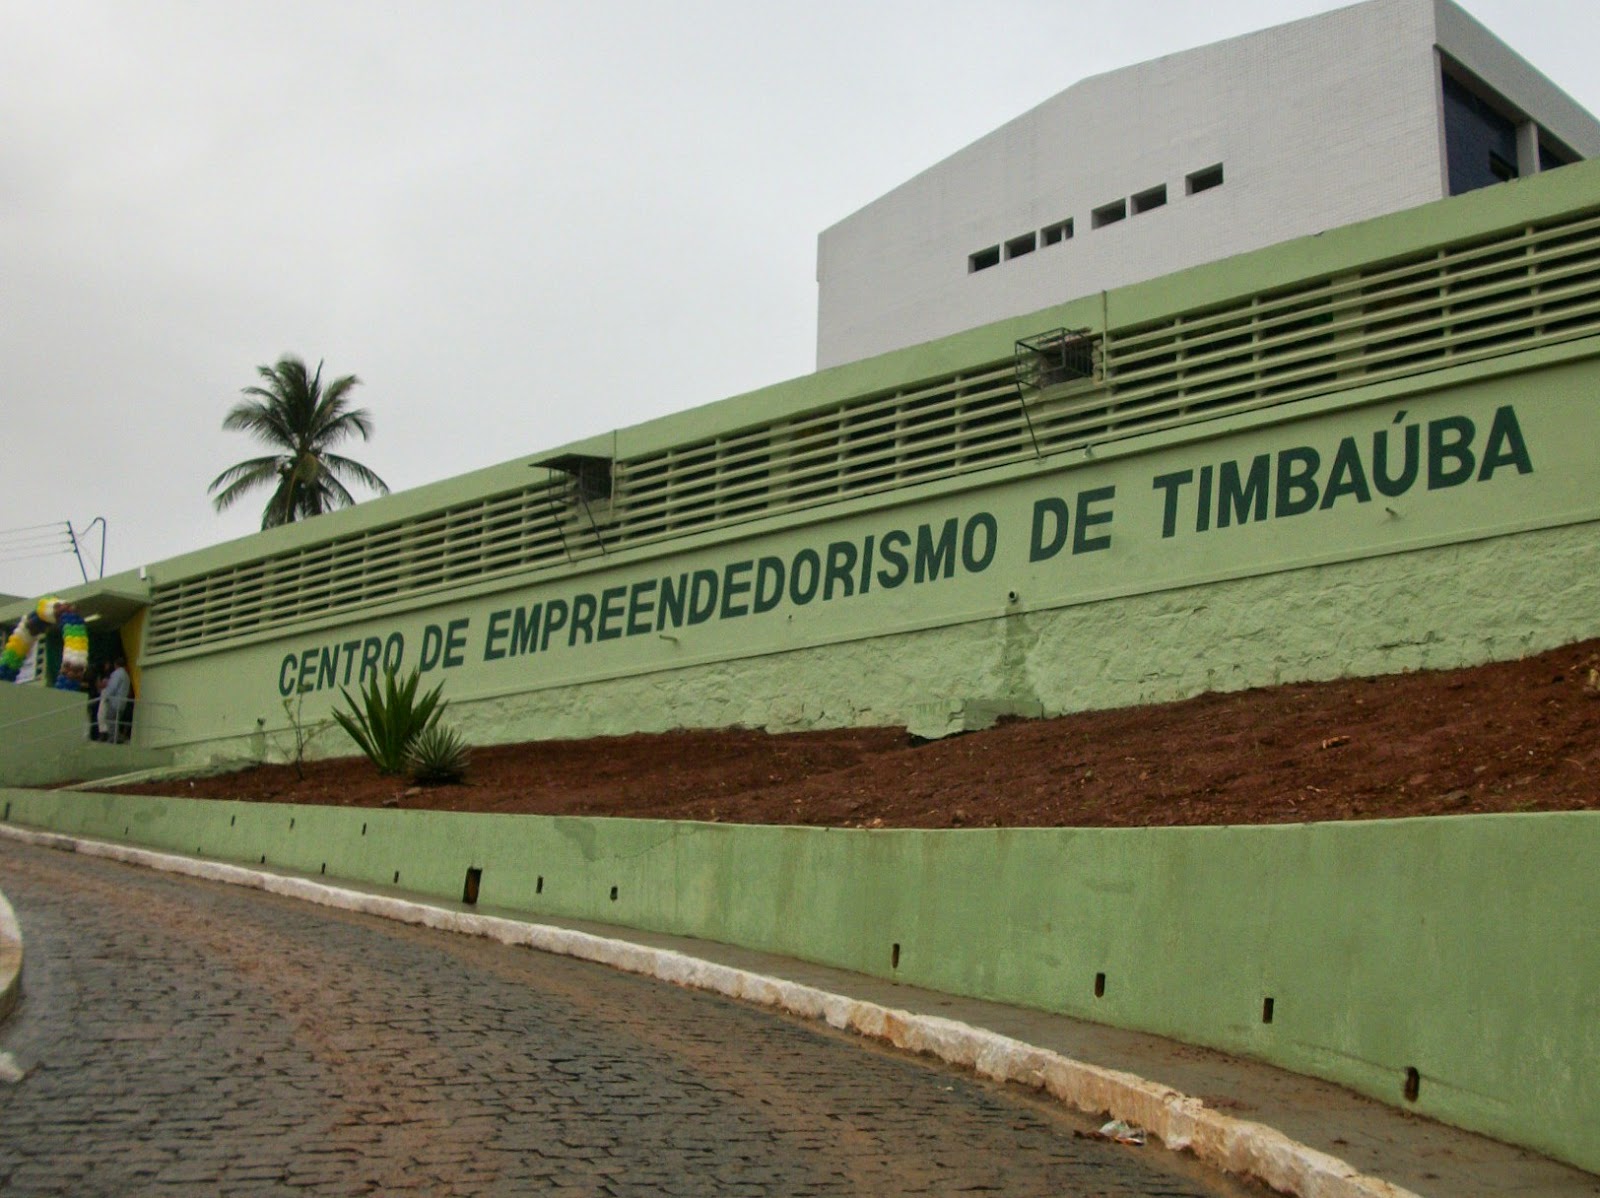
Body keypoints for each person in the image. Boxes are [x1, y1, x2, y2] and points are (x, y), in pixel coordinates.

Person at [98, 656, 130, 744]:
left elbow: (112, 687)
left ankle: (113, 738)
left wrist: (106, 697)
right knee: (116, 721)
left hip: (114, 702)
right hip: (123, 703)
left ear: (116, 665)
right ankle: (117, 738)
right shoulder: (126, 675)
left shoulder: (117, 674)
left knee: (110, 719)